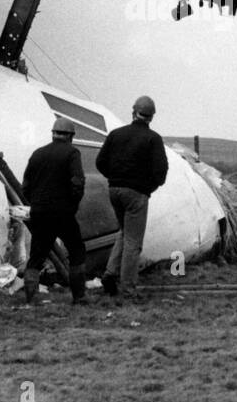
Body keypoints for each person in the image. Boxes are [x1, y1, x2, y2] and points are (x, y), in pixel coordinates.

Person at [96, 95, 168, 298]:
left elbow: (101, 162)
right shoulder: (153, 139)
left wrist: (115, 178)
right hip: (136, 195)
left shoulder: (116, 134)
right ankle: (128, 288)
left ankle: (110, 273)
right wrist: (148, 188)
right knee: (133, 242)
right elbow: (161, 172)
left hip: (114, 191)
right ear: (151, 117)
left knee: (124, 232)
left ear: (133, 112)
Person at [20, 117, 87, 304]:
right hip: (63, 213)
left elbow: (25, 187)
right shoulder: (72, 153)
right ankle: (79, 297)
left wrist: (37, 203)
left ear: (54, 133)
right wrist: (72, 205)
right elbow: (78, 183)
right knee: (76, 251)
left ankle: (30, 298)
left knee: (36, 256)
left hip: (40, 212)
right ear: (71, 136)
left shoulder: (37, 154)